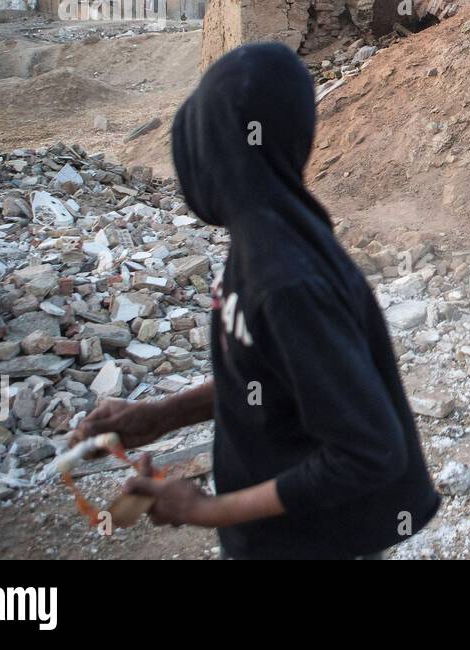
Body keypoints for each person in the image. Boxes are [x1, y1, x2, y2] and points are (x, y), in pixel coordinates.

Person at [71, 42, 439, 559]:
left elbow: (370, 452)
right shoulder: (263, 233)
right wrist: (160, 415)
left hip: (316, 544)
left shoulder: (286, 276)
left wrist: (203, 510)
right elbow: (271, 377)